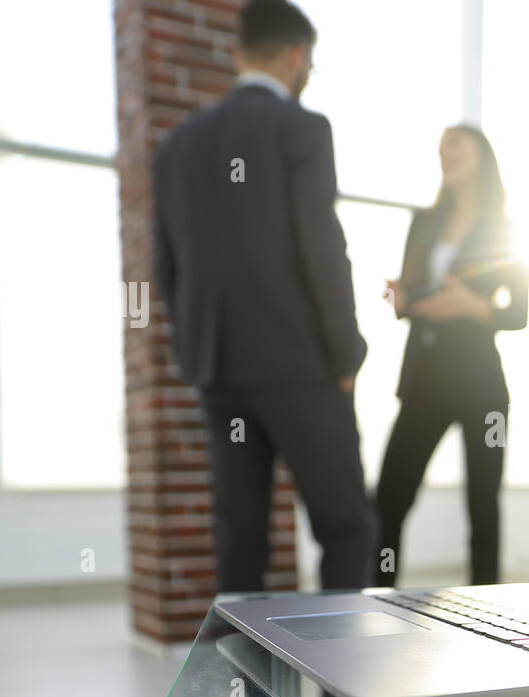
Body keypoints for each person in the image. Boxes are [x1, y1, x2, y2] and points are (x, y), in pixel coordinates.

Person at [152, 0, 374, 593]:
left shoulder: (177, 147)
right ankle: (337, 658)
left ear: (238, 52)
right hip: (300, 363)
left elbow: (164, 269)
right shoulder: (302, 128)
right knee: (346, 526)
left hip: (218, 369)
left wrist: (197, 356)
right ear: (298, 55)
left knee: (241, 537)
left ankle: (240, 658)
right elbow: (321, 248)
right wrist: (346, 351)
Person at [376, 125, 528, 587]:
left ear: (481, 155)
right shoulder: (424, 222)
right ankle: (377, 593)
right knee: (388, 499)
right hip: (423, 378)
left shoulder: (504, 228)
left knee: (483, 505)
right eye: (441, 147)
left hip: (480, 382)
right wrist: (402, 300)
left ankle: (489, 607)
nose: (445, 152)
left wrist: (472, 306)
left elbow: (518, 313)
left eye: (455, 144)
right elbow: (411, 295)